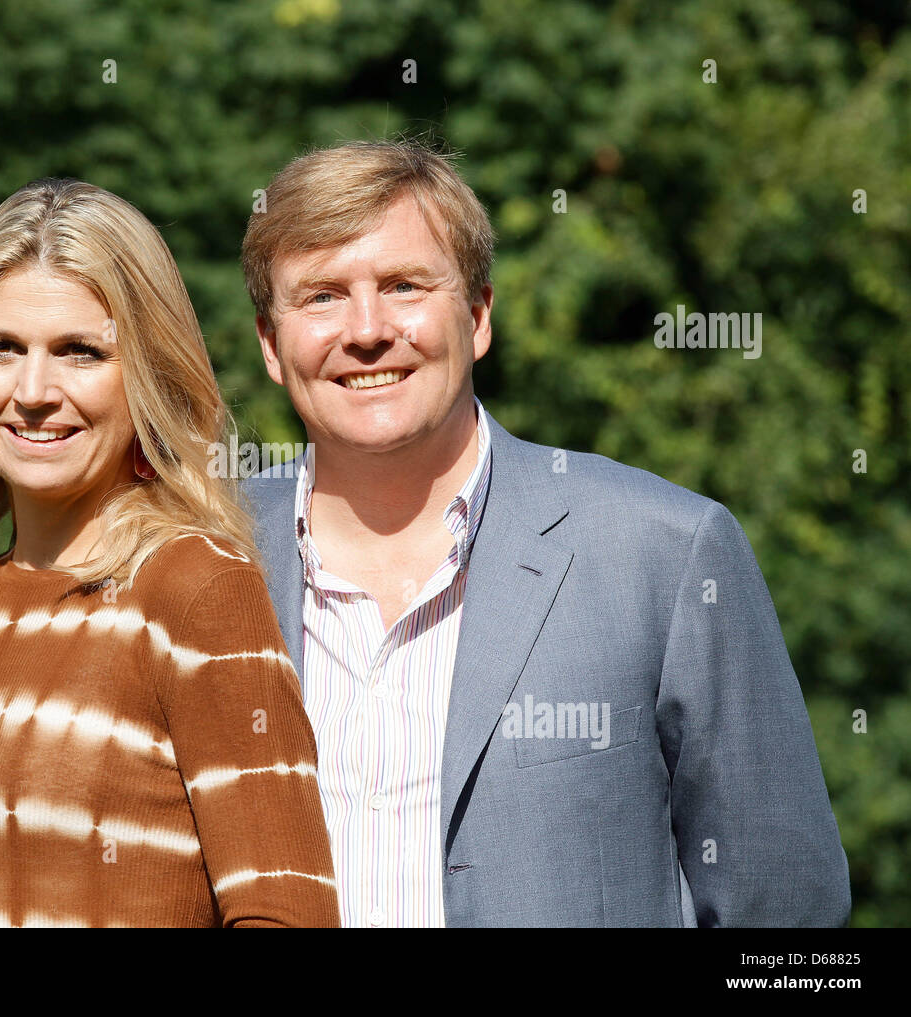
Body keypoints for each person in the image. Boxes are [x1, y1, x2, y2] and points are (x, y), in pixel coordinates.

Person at [238, 139, 850, 927]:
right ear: (270, 344)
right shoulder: (197, 553)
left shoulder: (663, 552)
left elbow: (786, 909)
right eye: (322, 296)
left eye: (403, 285)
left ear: (478, 315)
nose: (367, 329)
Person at [0, 177, 339, 927]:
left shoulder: (195, 589)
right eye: (1, 348)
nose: (32, 390)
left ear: (147, 379)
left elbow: (286, 910)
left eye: (80, 352)